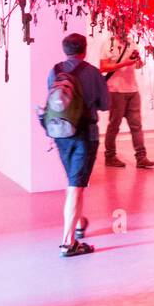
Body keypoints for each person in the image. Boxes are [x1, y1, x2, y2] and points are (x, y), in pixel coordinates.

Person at [48, 33, 110, 257]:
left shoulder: (55, 71)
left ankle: (80, 222)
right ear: (84, 50)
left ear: (65, 49)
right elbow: (105, 104)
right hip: (85, 135)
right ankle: (68, 242)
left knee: (75, 183)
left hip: (60, 135)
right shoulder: (92, 72)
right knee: (76, 185)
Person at [100, 32, 154, 169]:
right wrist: (124, 63)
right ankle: (110, 157)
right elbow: (103, 67)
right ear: (115, 26)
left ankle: (141, 157)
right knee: (114, 125)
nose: (126, 27)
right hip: (115, 90)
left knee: (136, 126)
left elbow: (136, 65)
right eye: (123, 24)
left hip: (132, 90)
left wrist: (139, 62)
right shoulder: (109, 43)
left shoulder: (132, 42)